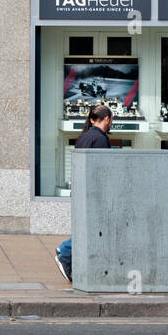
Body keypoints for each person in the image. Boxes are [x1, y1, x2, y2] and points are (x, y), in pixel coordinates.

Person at [55, 104, 113, 282]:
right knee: (94, 229)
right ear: (106, 119)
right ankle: (65, 251)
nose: (111, 123)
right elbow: (103, 169)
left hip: (83, 190)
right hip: (95, 192)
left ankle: (76, 257)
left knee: (91, 228)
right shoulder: (101, 139)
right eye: (111, 120)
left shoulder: (85, 137)